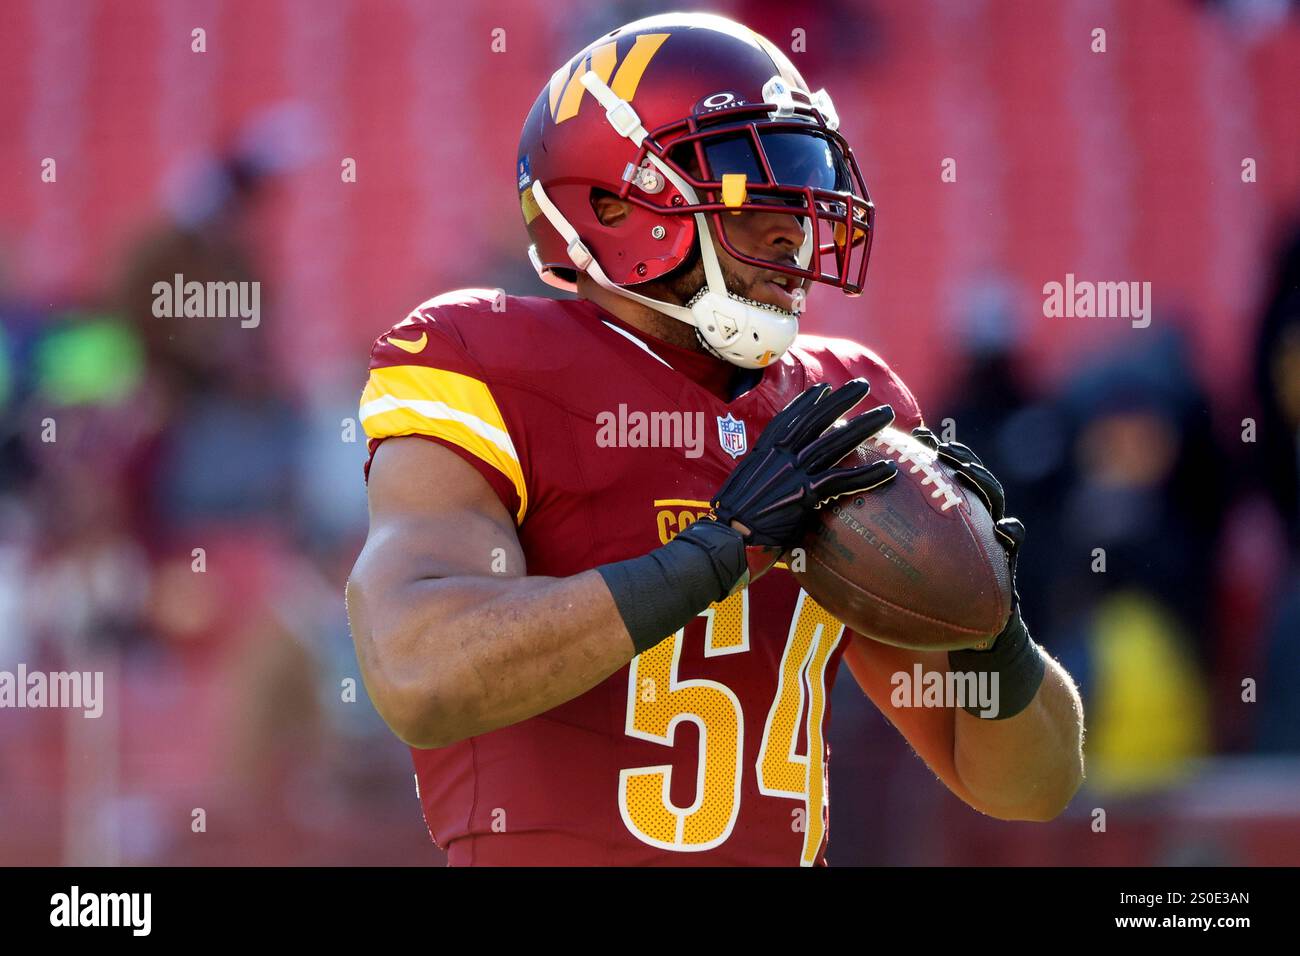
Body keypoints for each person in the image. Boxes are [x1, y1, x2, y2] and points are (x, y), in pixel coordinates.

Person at [346, 13, 1083, 866]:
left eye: (801, 183)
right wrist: (716, 554)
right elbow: (418, 672)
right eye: (745, 181)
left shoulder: (840, 404)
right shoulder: (488, 362)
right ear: (614, 203)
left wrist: (993, 624)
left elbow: (1031, 787)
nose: (793, 224)